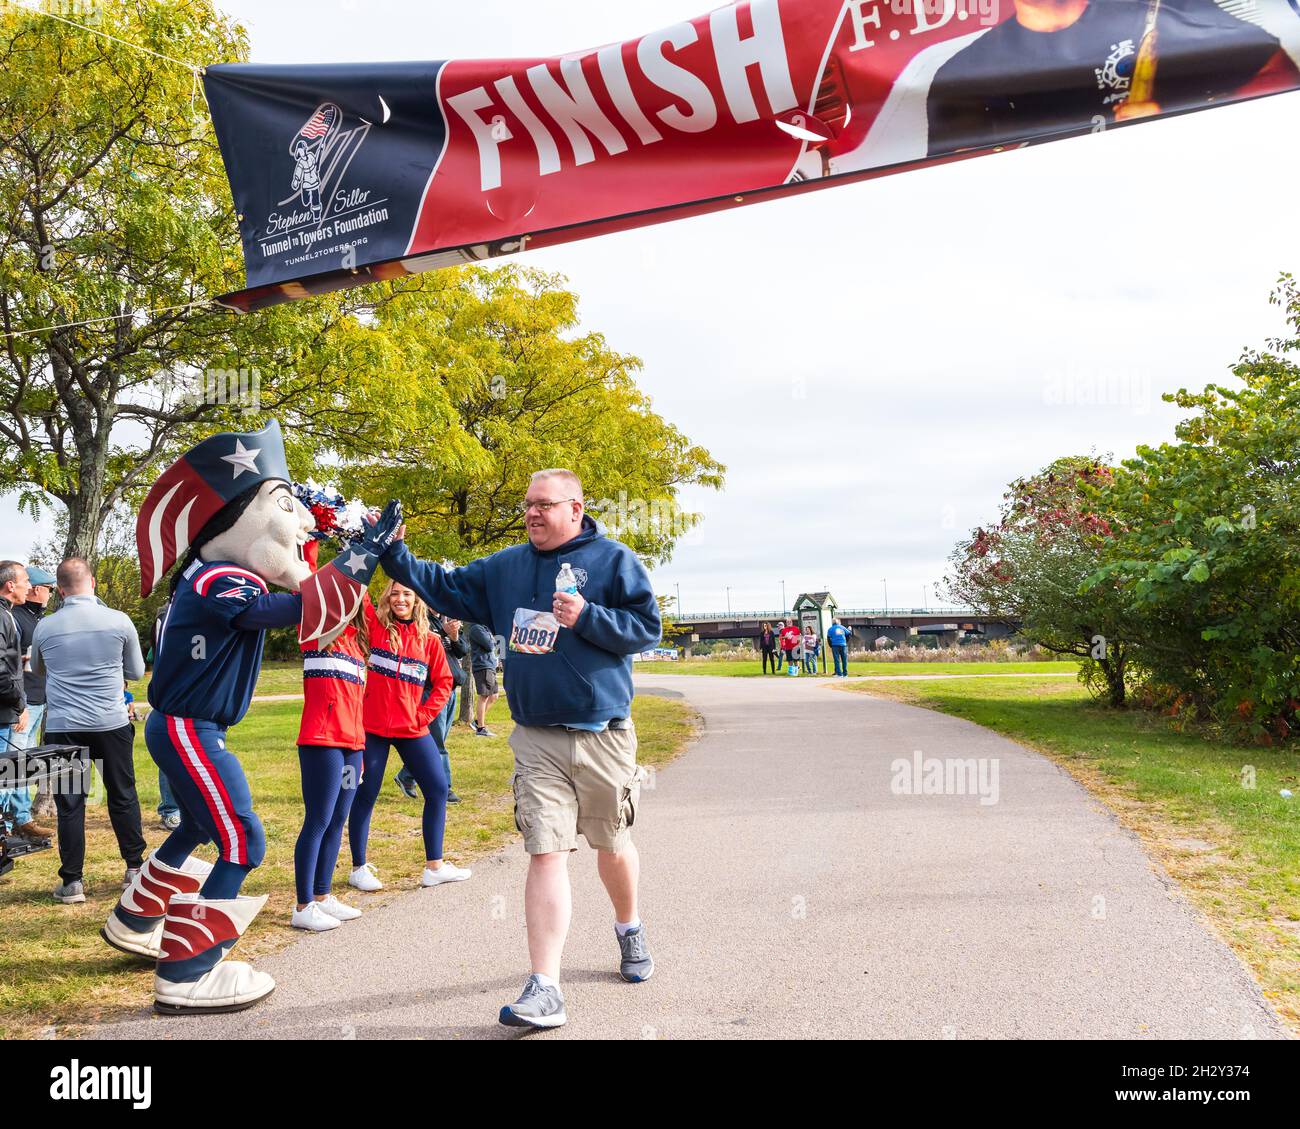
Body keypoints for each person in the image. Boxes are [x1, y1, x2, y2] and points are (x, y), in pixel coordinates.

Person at [100, 419, 401, 1014]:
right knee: (244, 840)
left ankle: (136, 918)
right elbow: (300, 610)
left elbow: (304, 600)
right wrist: (363, 554)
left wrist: (349, 550)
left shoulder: (213, 576)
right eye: (288, 507)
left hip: (184, 726)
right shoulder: (222, 578)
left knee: (194, 826)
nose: (306, 524)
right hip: (191, 729)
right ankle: (187, 973)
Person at [376, 468, 661, 1030]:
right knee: (545, 851)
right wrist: (395, 552)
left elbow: (646, 627)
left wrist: (589, 618)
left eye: (544, 505)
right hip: (536, 738)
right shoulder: (506, 567)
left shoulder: (613, 560)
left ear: (575, 509)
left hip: (602, 731)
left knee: (612, 844)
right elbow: (445, 585)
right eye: (527, 504)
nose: (532, 513)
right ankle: (545, 987)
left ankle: (629, 927)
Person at [926, 0, 1297, 158]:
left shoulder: (1156, 6)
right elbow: (963, 183)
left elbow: (1281, 69)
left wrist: (1171, 115)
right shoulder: (961, 76)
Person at [31, 558, 148, 905]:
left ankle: (72, 881)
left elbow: (38, 669)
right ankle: (134, 868)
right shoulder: (118, 620)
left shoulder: (46, 627)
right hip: (110, 722)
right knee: (122, 794)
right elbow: (137, 671)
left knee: (70, 803)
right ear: (93, 583)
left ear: (60, 589)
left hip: (65, 725)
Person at [347, 582, 469, 893]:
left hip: (411, 728)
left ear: (417, 602)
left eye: (408, 594)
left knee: (438, 789)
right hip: (371, 727)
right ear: (387, 597)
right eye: (396, 593)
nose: (401, 599)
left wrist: (423, 716)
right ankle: (358, 868)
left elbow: (445, 682)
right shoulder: (373, 625)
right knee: (366, 792)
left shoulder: (428, 640)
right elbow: (356, 589)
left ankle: (434, 867)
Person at [292, 603, 368, 931]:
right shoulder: (316, 633)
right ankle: (303, 905)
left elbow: (358, 703)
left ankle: (323, 896)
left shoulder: (357, 644)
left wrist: (361, 753)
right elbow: (309, 587)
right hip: (321, 741)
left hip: (353, 746)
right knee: (319, 820)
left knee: (339, 819)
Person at [395, 611, 467, 804]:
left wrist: (454, 636)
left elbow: (463, 650)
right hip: (430, 690)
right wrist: (443, 633)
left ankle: (406, 775)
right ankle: (445, 787)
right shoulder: (420, 619)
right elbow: (419, 647)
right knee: (437, 744)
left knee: (438, 739)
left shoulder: (448, 617)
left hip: (450, 691)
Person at [0, 561, 48, 841]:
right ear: (10, 585)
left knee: (16, 768)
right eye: (25, 581)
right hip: (9, 707)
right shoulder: (6, 616)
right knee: (8, 771)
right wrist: (20, 706)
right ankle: (7, 830)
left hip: (18, 703)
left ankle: (15, 823)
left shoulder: (8, 614)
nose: (29, 586)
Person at [150, 598, 181, 830]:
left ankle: (185, 809)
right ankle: (170, 809)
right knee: (169, 753)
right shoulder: (166, 614)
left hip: (193, 693)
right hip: (170, 691)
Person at [468, 621, 500, 735]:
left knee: (494, 695)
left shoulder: (485, 628)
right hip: (483, 665)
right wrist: (494, 639)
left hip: (490, 665)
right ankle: (481, 729)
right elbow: (490, 645)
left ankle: (477, 721)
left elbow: (495, 643)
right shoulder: (476, 628)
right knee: (484, 696)